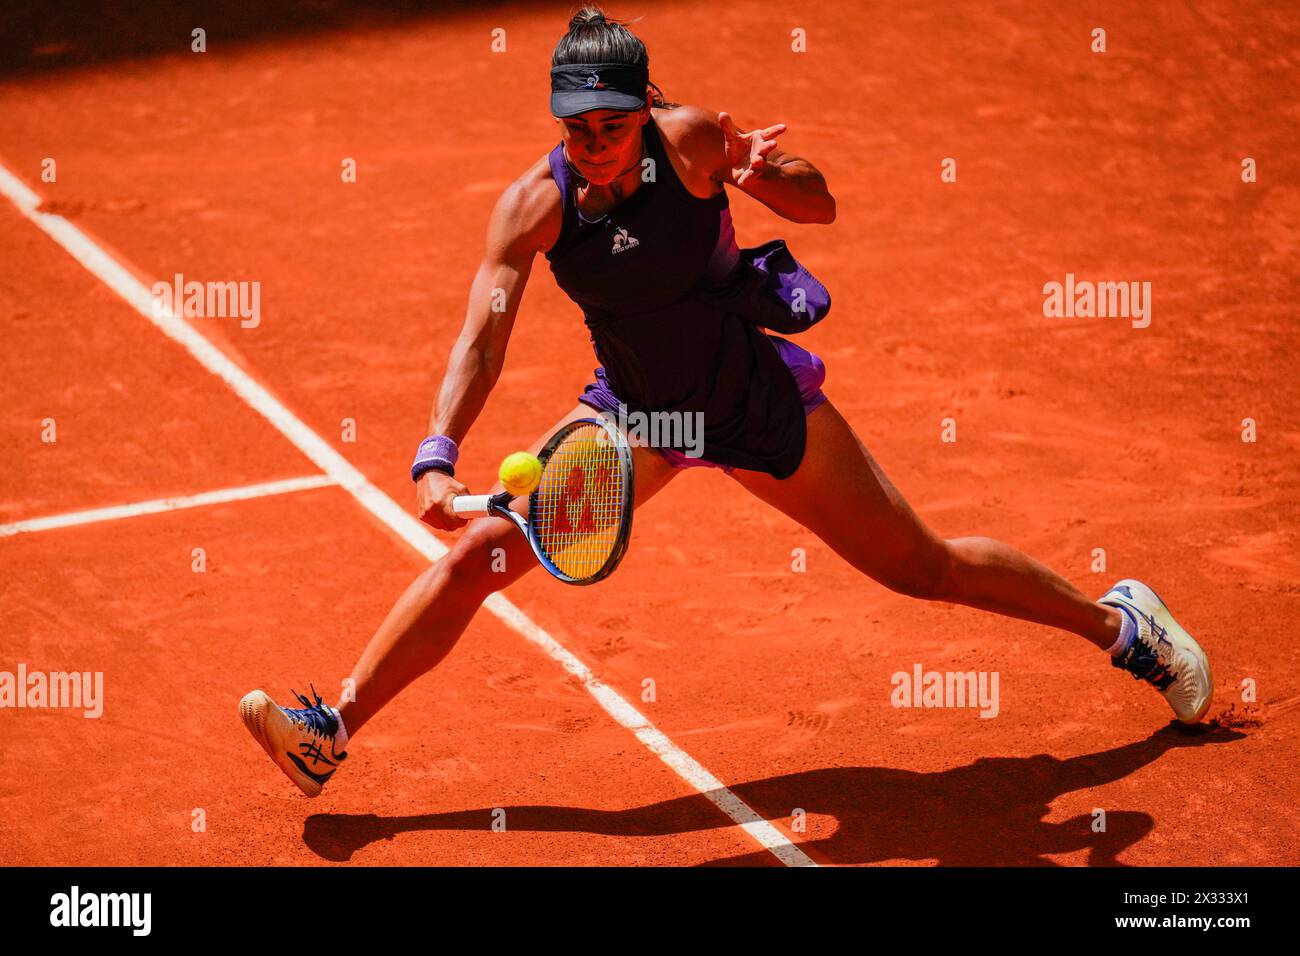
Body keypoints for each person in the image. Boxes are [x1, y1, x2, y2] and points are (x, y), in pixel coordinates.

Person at [239, 7, 1212, 798]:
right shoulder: (532, 208)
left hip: (747, 399)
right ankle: (332, 730)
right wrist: (435, 452)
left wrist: (758, 171)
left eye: (611, 127)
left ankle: (1121, 625)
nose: (596, 150)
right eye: (576, 132)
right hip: (638, 415)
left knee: (922, 567)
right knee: (474, 557)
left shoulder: (693, 139)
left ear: (641, 107)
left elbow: (818, 204)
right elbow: (483, 333)